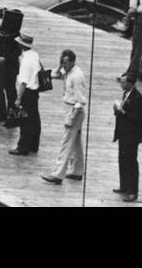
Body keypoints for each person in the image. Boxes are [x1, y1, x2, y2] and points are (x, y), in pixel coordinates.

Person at [40, 49, 86, 184]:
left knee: (66, 142)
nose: (64, 65)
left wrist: (71, 117)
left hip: (74, 111)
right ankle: (77, 171)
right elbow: (54, 75)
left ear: (72, 61)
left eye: (66, 62)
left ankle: (58, 174)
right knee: (76, 142)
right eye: (63, 62)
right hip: (69, 108)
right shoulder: (68, 72)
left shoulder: (77, 76)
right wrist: (60, 66)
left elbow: (81, 100)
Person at [112, 72, 142, 202]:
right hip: (123, 134)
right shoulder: (126, 94)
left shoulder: (138, 98)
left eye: (124, 82)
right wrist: (117, 111)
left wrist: (123, 112)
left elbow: (139, 118)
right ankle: (124, 185)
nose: (121, 84)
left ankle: (133, 191)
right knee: (122, 160)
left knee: (131, 162)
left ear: (131, 84)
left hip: (132, 136)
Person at [10, 33, 43, 155]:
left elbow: (23, 82)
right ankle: (34, 145)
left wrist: (18, 98)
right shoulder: (34, 55)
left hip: (27, 93)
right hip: (35, 92)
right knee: (34, 119)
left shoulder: (26, 60)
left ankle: (22, 147)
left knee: (25, 121)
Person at [0, 9, 21, 121]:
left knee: (10, 88)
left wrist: (5, 58)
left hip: (10, 66)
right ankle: (0, 111)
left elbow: (17, 52)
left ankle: (12, 111)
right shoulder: (0, 34)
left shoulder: (15, 36)